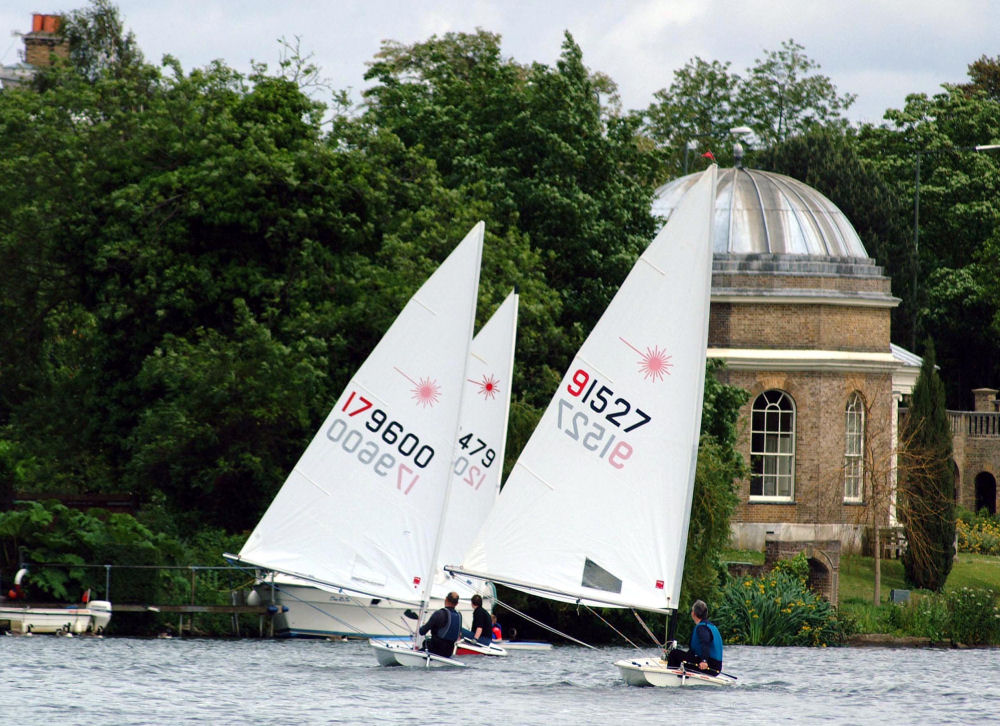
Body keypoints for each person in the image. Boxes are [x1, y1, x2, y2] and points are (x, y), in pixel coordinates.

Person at [665, 599, 723, 675]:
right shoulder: (711, 626)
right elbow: (693, 652)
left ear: (693, 613)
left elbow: (705, 643)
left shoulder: (702, 628)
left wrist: (704, 661)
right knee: (678, 654)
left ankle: (670, 676)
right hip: (716, 667)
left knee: (674, 653)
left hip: (708, 666)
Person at [419, 591, 462, 658]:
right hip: (448, 652)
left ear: (446, 599)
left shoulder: (439, 613)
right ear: (457, 603)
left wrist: (421, 626)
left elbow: (422, 632)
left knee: (426, 642)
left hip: (434, 650)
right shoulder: (459, 616)